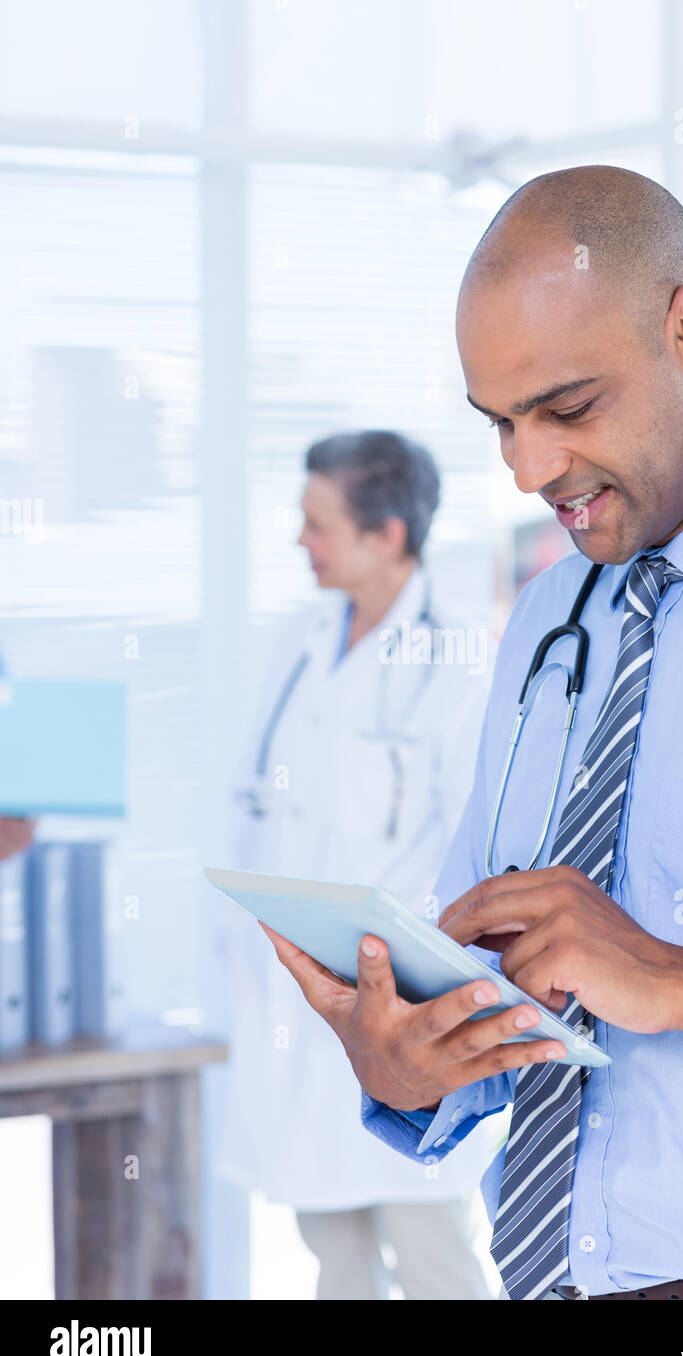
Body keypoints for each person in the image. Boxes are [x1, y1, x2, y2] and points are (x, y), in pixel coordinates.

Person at [259, 165, 683, 1303]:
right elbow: (500, 988)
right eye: (499, 424)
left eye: (566, 408)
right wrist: (413, 1066)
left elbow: (651, 981)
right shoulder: (550, 616)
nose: (529, 470)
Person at [219, 429, 496, 1300]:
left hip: (399, 997)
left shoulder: (460, 662)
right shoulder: (298, 638)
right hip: (298, 996)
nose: (301, 541)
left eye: (317, 523)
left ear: (386, 534)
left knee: (434, 1255)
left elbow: (474, 847)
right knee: (330, 1253)